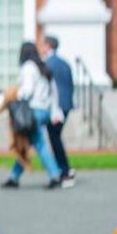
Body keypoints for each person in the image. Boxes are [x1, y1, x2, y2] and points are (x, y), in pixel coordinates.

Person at [1, 41, 63, 190]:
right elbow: (53, 92)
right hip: (45, 110)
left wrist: (15, 98)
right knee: (25, 143)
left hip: (33, 111)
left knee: (39, 143)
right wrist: (54, 110)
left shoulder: (28, 67)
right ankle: (13, 177)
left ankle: (55, 175)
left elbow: (27, 90)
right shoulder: (43, 67)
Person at [40, 33, 76, 188]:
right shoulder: (65, 63)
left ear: (48, 46)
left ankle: (64, 170)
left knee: (54, 138)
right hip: (66, 105)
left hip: (55, 107)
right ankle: (64, 169)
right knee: (56, 138)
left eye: (42, 44)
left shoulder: (47, 64)